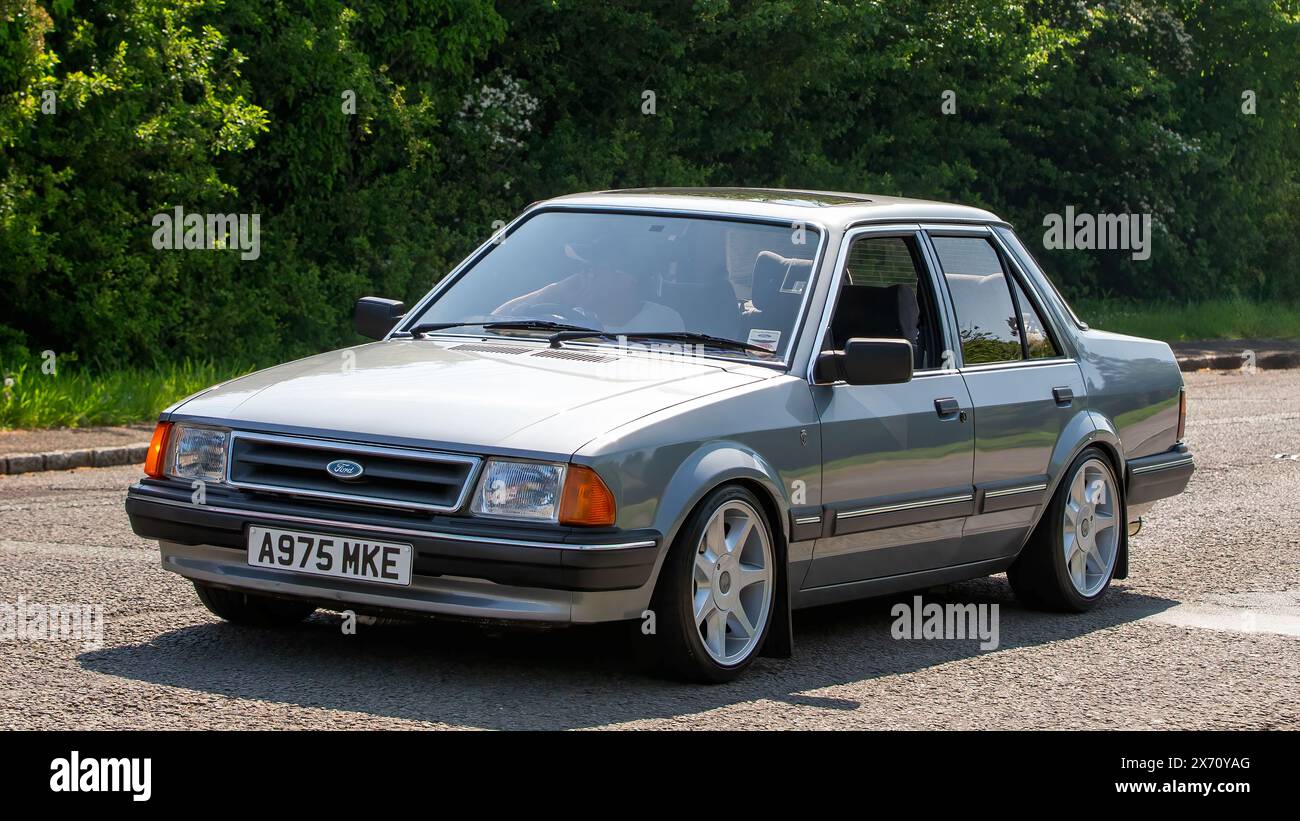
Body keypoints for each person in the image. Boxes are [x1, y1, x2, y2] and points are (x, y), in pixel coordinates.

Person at [492, 242, 684, 333]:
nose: (581, 278)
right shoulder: (570, 317)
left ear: (626, 281)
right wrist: (551, 291)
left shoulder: (662, 321)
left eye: (592, 271)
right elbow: (494, 323)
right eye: (582, 270)